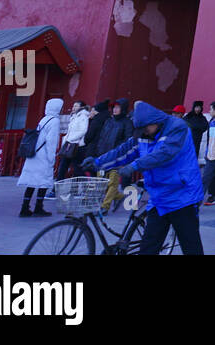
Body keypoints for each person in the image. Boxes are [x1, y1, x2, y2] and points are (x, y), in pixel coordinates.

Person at [84, 102, 206, 254]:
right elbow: (124, 151)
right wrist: (98, 162)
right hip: (158, 198)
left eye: (146, 129)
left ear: (154, 121)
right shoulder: (144, 133)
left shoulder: (178, 128)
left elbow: (164, 154)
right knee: (148, 248)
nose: (144, 133)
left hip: (182, 197)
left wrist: (134, 166)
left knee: (191, 248)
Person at [18, 98, 63, 217]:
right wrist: (51, 159)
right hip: (43, 155)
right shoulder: (55, 121)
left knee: (31, 181)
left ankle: (25, 207)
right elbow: (51, 142)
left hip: (34, 154)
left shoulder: (44, 119)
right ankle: (38, 206)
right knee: (43, 181)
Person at [95, 98, 133, 211]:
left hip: (117, 158)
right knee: (101, 183)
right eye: (114, 107)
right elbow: (102, 137)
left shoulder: (127, 123)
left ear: (123, 109)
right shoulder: (108, 121)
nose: (115, 110)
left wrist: (118, 151)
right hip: (103, 155)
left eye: (118, 107)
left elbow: (128, 141)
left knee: (112, 183)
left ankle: (104, 206)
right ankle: (120, 196)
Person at [56, 100, 89, 182]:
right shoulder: (74, 116)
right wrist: (66, 140)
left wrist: (70, 139)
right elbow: (69, 131)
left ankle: (82, 188)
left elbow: (83, 130)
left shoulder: (83, 117)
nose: (73, 108)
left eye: (76, 106)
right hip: (69, 145)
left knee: (77, 169)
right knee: (63, 167)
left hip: (77, 146)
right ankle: (56, 188)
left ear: (82, 107)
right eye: (73, 106)